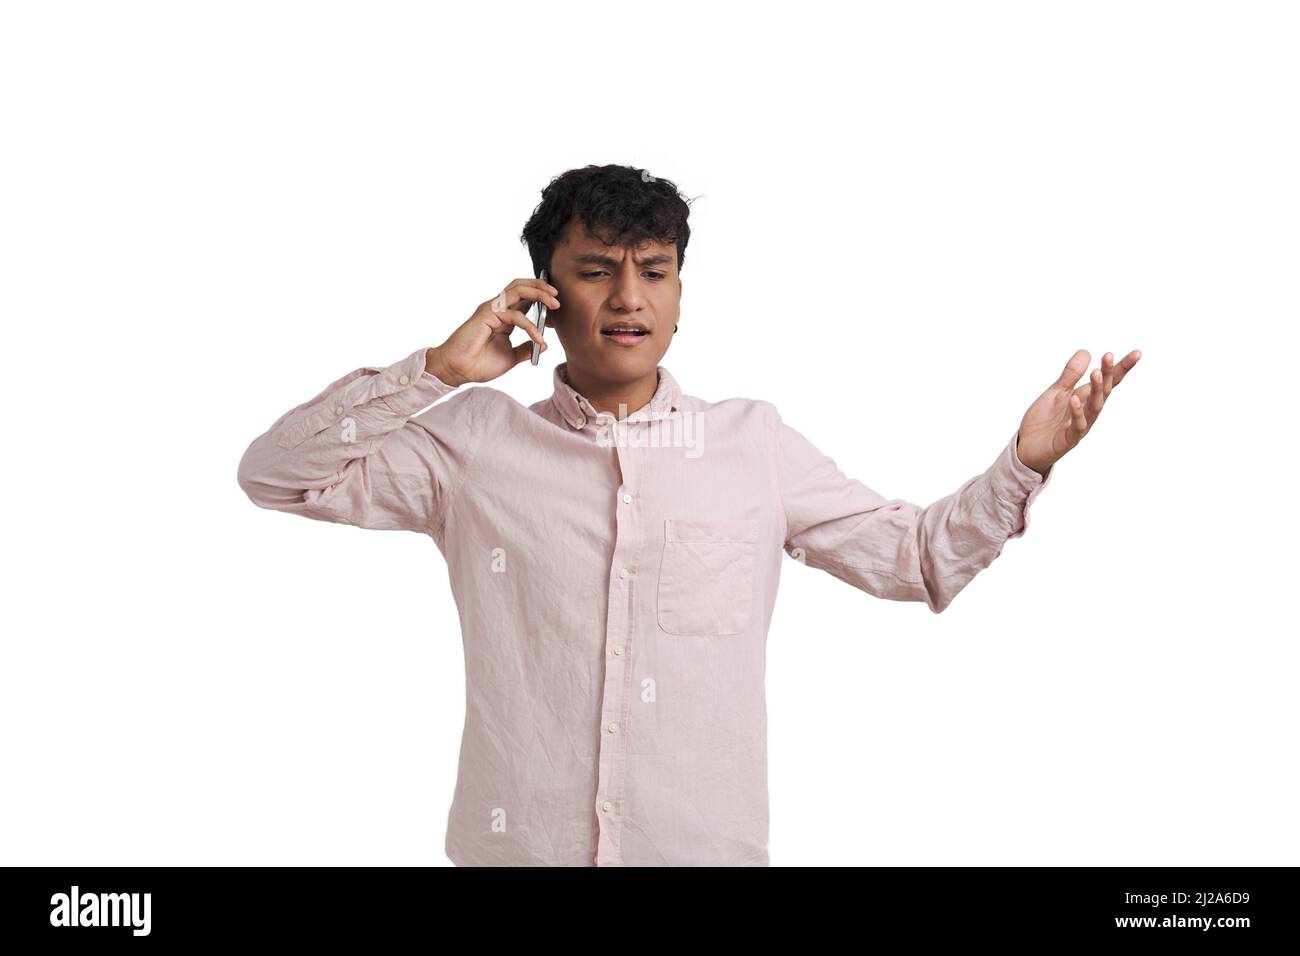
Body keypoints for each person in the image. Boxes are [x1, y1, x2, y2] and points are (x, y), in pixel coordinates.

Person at [236, 163, 1141, 866]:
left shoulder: (751, 445)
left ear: (678, 293)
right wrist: (434, 370)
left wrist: (1023, 463)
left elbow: (916, 558)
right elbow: (277, 475)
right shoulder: (473, 445)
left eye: (654, 272)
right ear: (544, 292)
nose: (628, 297)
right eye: (595, 271)